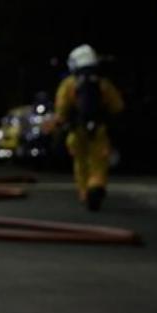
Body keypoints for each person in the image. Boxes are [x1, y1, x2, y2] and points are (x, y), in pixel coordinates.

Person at [54, 44, 123, 211]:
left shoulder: (69, 84)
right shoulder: (103, 83)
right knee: (98, 163)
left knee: (80, 162)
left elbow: (61, 109)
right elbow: (118, 106)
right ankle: (96, 186)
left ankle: (84, 192)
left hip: (76, 131)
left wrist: (61, 123)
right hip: (98, 130)